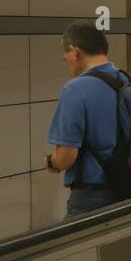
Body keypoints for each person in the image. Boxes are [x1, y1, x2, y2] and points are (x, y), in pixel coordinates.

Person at [43, 20, 121, 218]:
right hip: (129, 188)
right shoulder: (126, 81)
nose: (67, 63)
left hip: (92, 198)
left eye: (66, 57)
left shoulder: (75, 89)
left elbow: (66, 157)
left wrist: (51, 162)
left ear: (75, 52)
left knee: (75, 247)